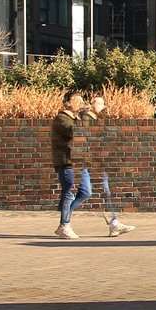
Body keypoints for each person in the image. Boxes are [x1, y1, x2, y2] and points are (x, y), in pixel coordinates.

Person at [86, 95, 136, 237]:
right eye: (100, 103)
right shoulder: (88, 119)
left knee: (104, 191)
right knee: (96, 192)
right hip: (92, 163)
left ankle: (114, 223)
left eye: (103, 104)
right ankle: (65, 222)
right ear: (93, 104)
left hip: (98, 162)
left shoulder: (96, 119)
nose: (103, 106)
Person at [52, 90, 93, 240]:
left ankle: (65, 216)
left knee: (86, 192)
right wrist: (85, 116)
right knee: (69, 192)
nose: (81, 103)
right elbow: (75, 132)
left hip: (79, 162)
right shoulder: (61, 119)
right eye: (78, 100)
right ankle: (65, 225)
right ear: (68, 103)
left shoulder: (76, 119)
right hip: (67, 162)